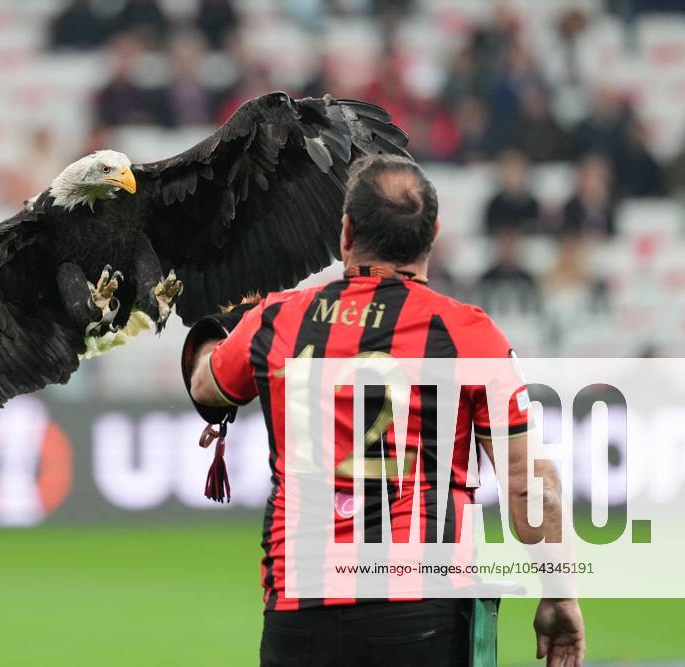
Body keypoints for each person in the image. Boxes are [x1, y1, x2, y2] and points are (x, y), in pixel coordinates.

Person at [183, 155, 584, 666]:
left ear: (346, 232)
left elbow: (207, 385)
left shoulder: (278, 319)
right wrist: (560, 595)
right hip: (421, 613)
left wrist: (219, 329)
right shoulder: (468, 334)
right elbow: (529, 485)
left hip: (299, 612)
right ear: (432, 234)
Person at [483, 149, 541, 236]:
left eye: (516, 169)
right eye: (508, 170)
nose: (512, 175)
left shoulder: (532, 204)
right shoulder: (495, 205)